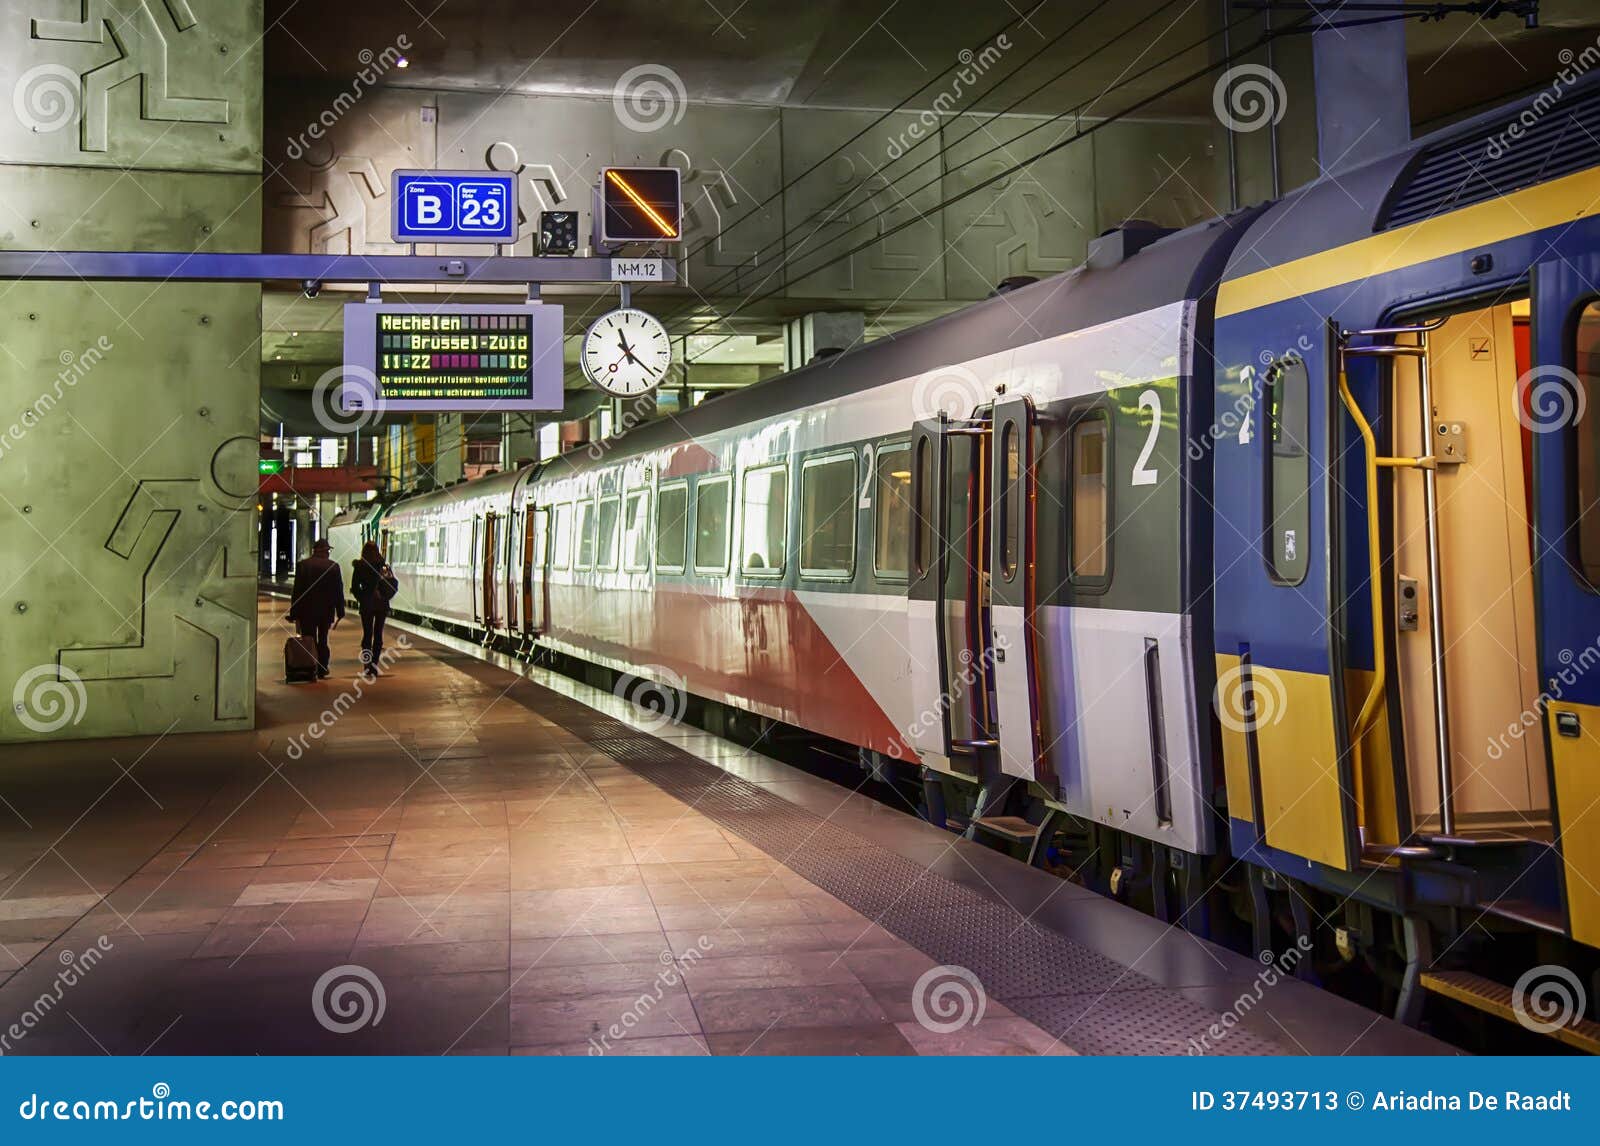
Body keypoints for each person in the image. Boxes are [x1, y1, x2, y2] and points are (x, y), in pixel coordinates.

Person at [287, 538, 344, 678]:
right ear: (325, 551)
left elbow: (298, 591)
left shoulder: (303, 565)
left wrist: (294, 613)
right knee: (323, 639)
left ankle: (310, 667)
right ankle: (323, 667)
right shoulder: (333, 567)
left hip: (307, 611)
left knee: (309, 639)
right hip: (326, 611)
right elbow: (338, 590)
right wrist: (340, 610)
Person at [350, 540, 398, 677]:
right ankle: (374, 665)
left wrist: (362, 598)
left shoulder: (360, 566)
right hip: (382, 604)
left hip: (367, 605)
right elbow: (391, 583)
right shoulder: (382, 566)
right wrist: (384, 596)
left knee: (367, 635)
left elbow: (354, 587)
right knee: (378, 635)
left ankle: (367, 664)